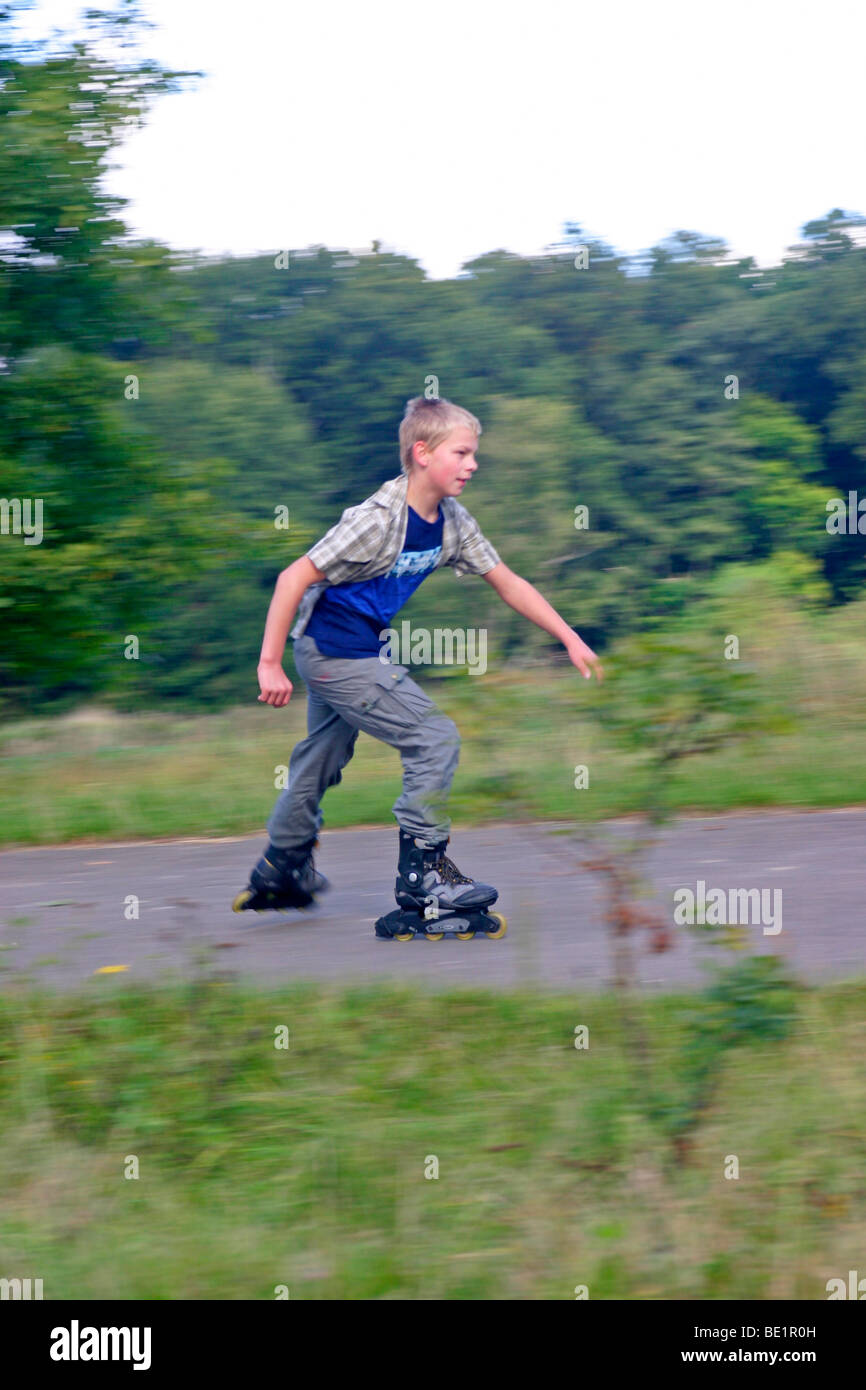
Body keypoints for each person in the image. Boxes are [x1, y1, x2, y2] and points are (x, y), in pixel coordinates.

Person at [235, 395, 602, 927]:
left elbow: (507, 582)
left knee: (322, 756)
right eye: (463, 453)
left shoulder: (451, 521)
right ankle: (422, 879)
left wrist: (568, 636)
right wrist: (269, 663)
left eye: (475, 454)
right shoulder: (377, 519)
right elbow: (293, 577)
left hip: (347, 649)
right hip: (337, 652)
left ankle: (281, 865)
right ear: (423, 452)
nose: (473, 464)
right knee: (433, 737)